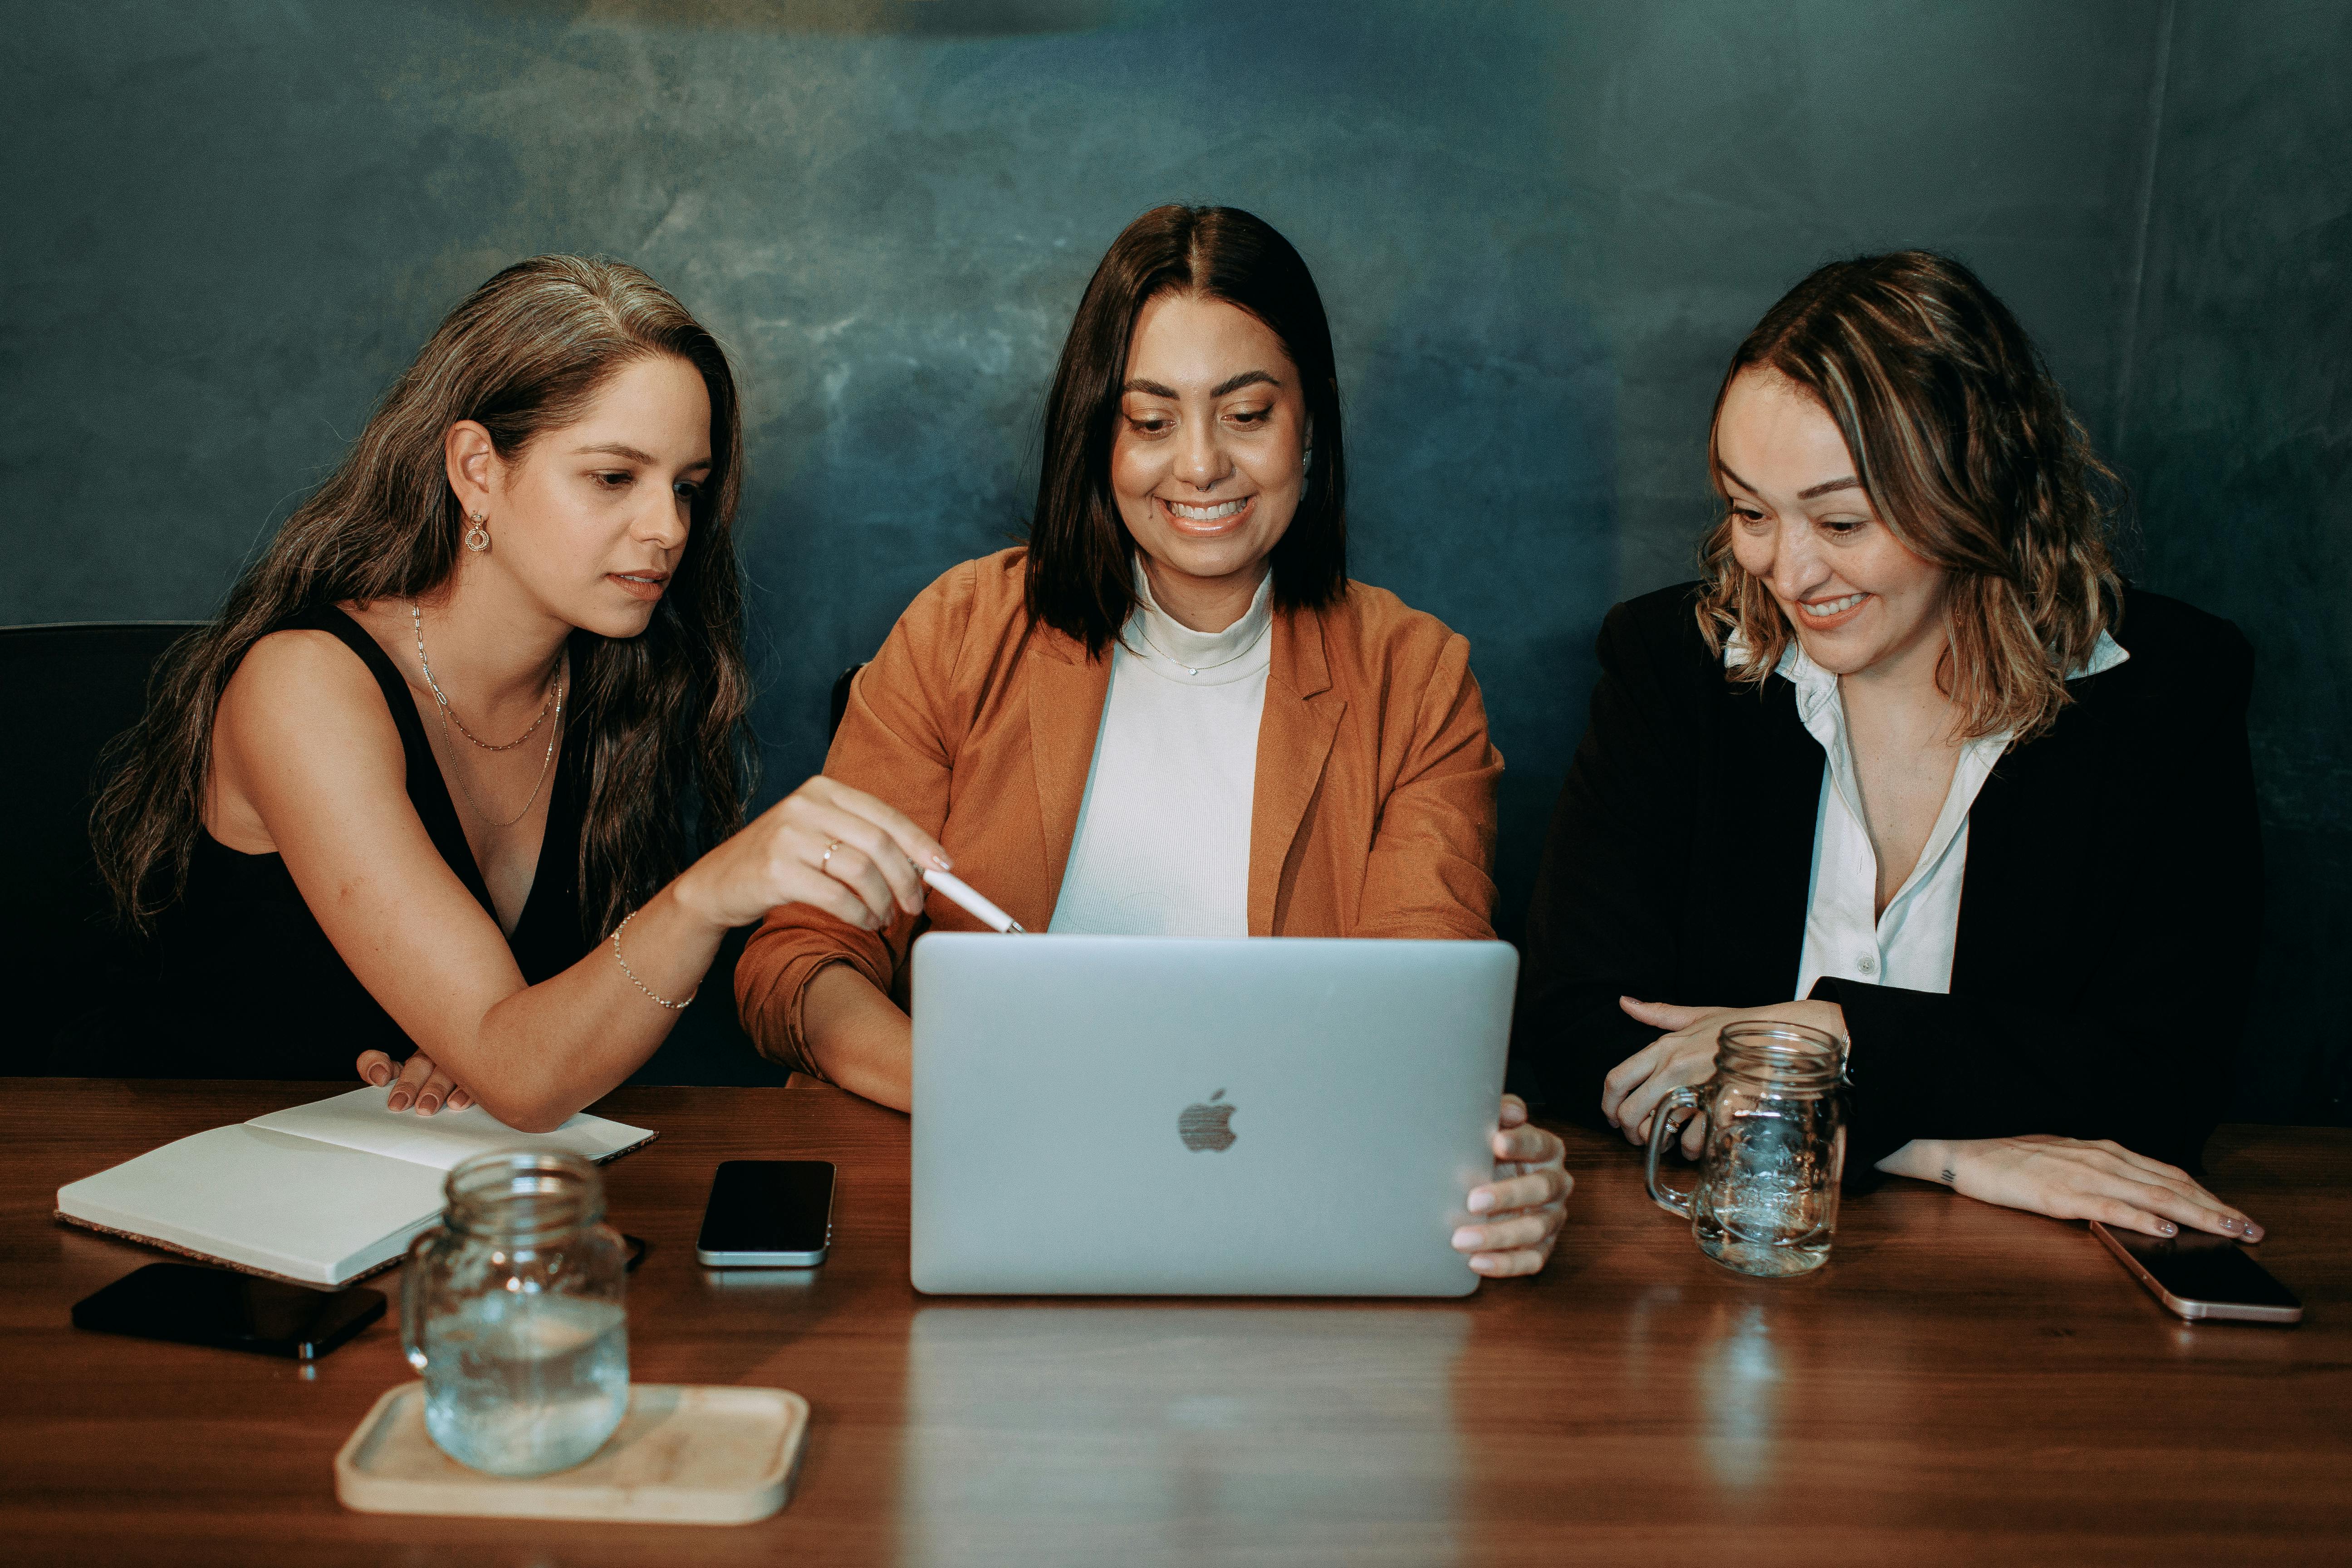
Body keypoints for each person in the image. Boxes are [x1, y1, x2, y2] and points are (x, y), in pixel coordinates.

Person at [735, 206, 1570, 1278]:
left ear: (1309, 427)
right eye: (1152, 419)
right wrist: (967, 1082)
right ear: (1099, 435)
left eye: (1249, 413)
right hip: (989, 1198)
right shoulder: (958, 633)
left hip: (1285, 1218)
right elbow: (795, 964)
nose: (1204, 465)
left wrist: (1477, 1156)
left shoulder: (1415, 679)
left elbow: (1422, 1024)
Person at [1510, 250, 2266, 1243]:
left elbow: (2165, 1078)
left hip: (2021, 1318)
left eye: (1841, 520)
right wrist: (1930, 1147)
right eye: (1749, 512)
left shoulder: (2162, 688)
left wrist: (1833, 1030)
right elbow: (1580, 1032)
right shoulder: (1674, 667)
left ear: (1976, 487)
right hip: (1719, 1262)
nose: (1787, 567)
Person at [90, 255, 946, 1133]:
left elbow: (523, 1049)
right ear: (476, 469)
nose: (667, 529)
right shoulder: (303, 685)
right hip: (178, 1179)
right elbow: (525, 1074)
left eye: (687, 487)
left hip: (423, 1184)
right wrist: (710, 891)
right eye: (614, 477)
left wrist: (483, 1039)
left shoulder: (615, 685)